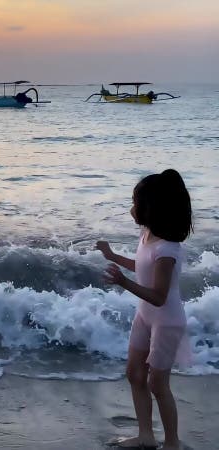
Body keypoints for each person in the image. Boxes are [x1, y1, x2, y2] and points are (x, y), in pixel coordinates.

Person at [97, 169, 192, 450]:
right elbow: (142, 267)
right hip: (145, 316)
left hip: (166, 321)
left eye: (135, 202)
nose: (131, 208)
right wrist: (113, 256)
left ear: (151, 208)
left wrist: (123, 282)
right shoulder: (148, 235)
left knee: (158, 384)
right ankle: (145, 435)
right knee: (134, 373)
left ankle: (172, 443)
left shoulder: (168, 250)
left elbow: (159, 296)